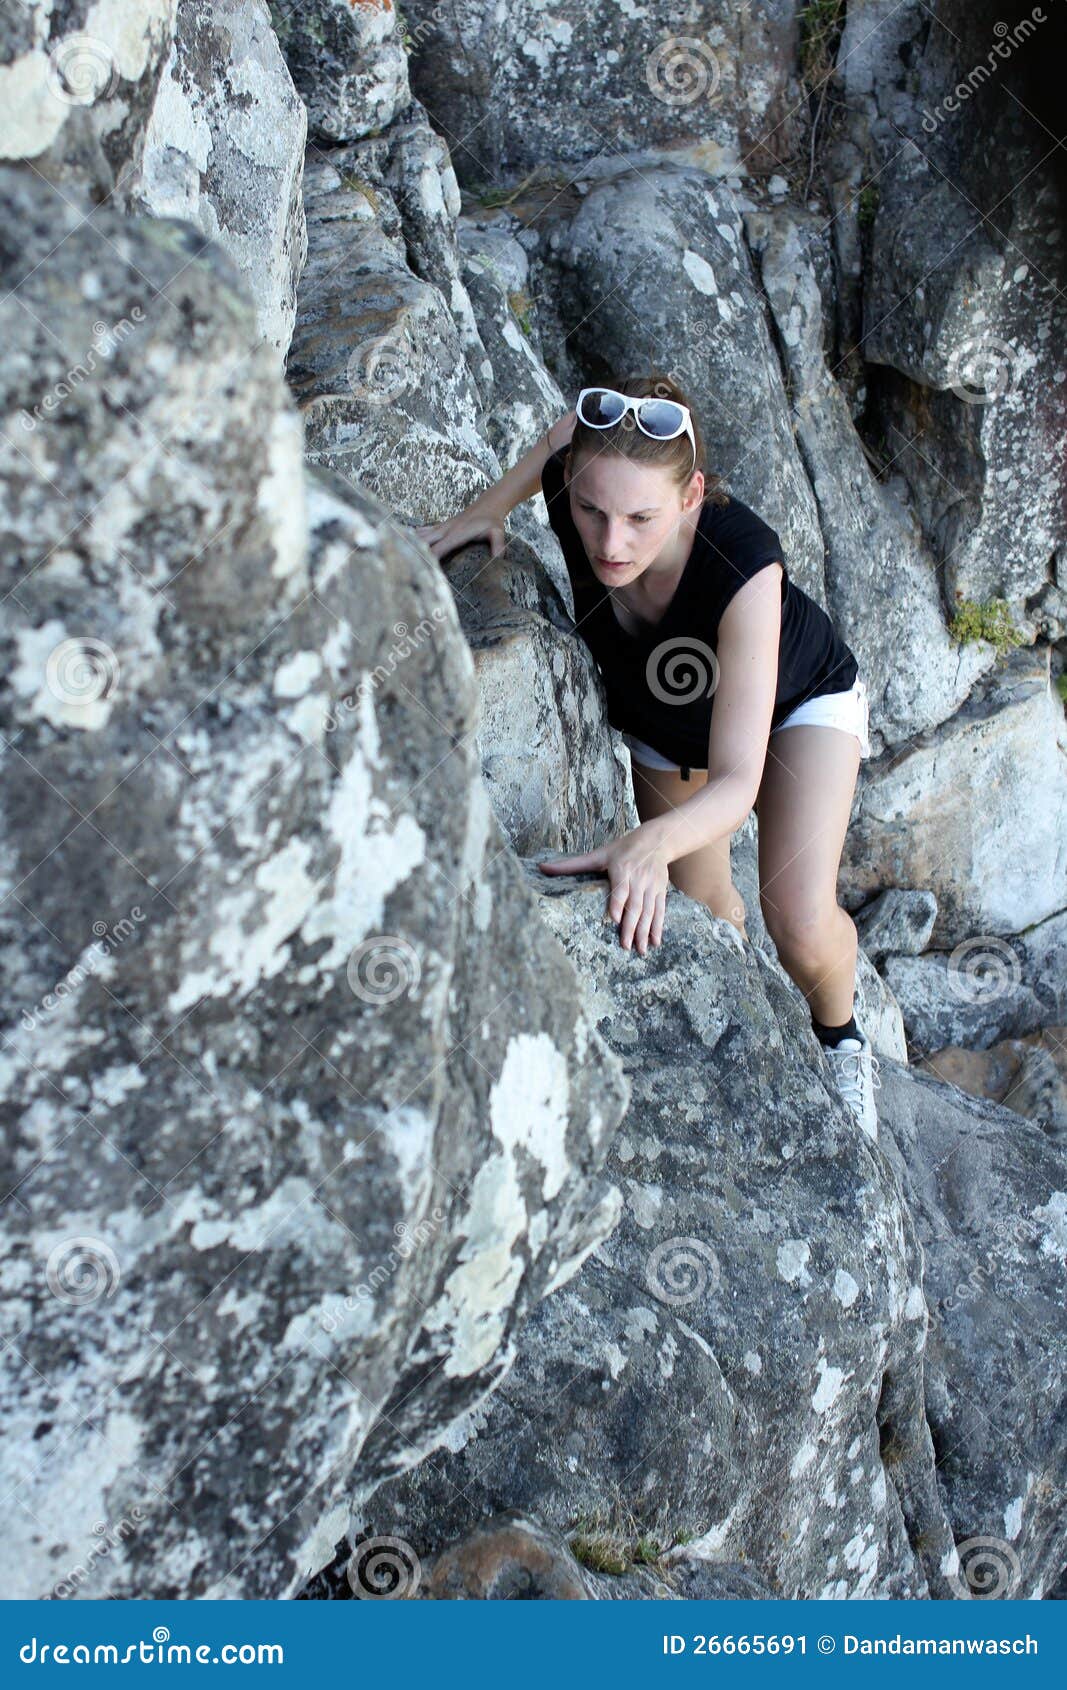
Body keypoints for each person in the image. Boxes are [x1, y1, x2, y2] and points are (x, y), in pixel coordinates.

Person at [415, 374, 880, 1135]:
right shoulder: (577, 469)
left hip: (795, 708)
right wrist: (485, 511)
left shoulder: (744, 565)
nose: (609, 542)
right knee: (701, 914)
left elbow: (739, 778)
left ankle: (840, 1039)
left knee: (794, 919)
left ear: (691, 494)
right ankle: (748, 1033)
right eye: (590, 511)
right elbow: (560, 437)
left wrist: (647, 842)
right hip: (664, 719)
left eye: (640, 517)